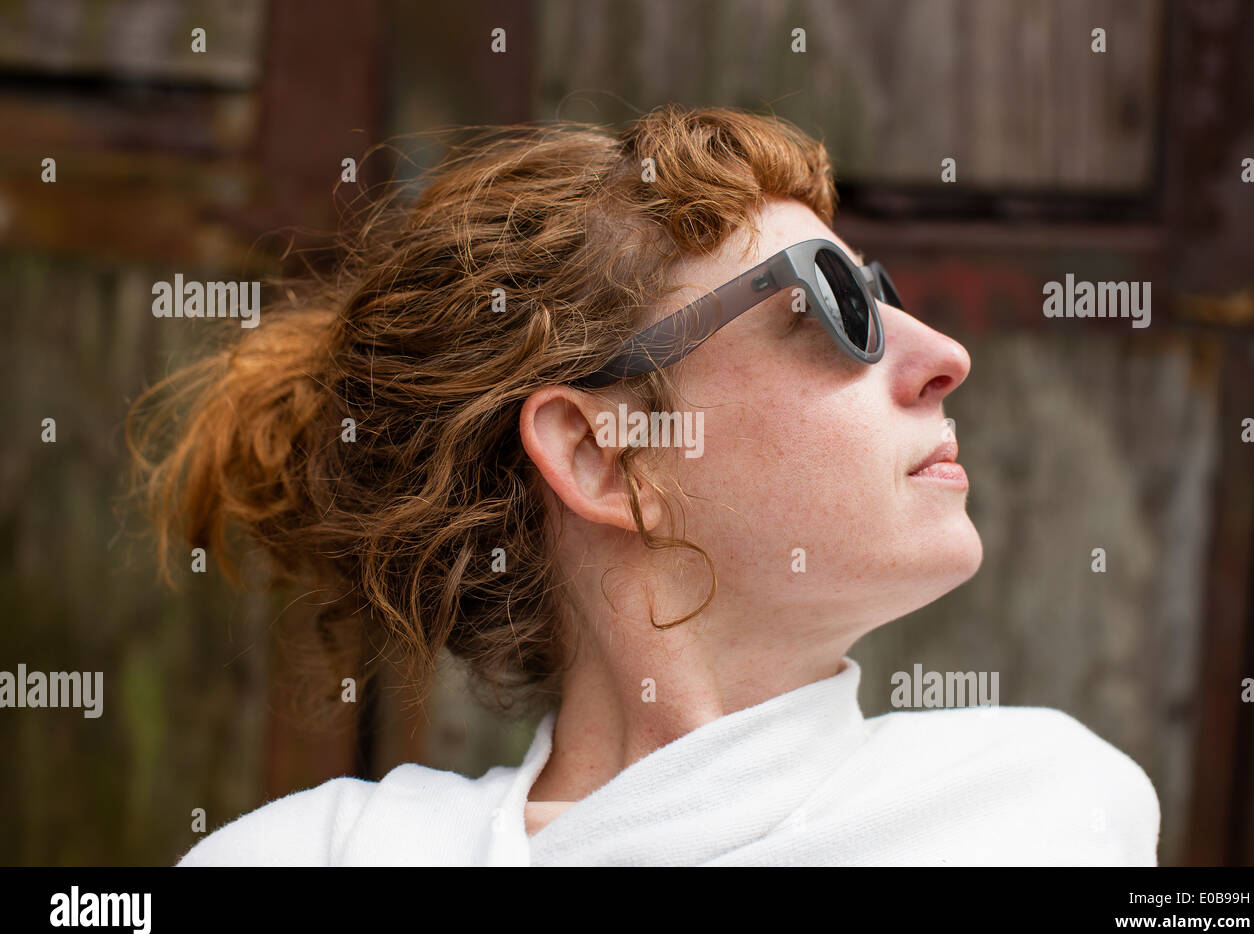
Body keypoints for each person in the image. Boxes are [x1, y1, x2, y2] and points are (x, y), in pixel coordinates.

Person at [130, 104, 1160, 865]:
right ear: (602, 453)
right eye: (834, 304)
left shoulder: (1032, 809)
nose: (943, 355)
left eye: (885, 292)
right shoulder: (314, 858)